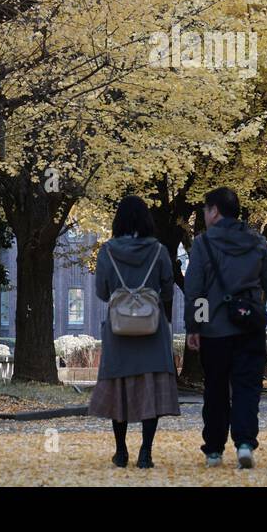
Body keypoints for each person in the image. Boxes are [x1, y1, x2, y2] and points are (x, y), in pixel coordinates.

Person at [184, 187, 267, 469]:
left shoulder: (203, 245)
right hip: (250, 328)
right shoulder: (256, 242)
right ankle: (244, 443)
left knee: (215, 390)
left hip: (214, 331)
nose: (204, 215)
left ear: (214, 210)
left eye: (205, 210)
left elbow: (195, 292)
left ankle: (214, 451)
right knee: (247, 388)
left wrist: (194, 326)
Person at [87, 195, 181, 469]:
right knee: (150, 389)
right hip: (152, 329)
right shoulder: (159, 251)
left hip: (119, 330)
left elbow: (102, 292)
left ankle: (121, 451)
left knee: (120, 389)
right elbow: (167, 288)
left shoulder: (107, 252)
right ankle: (146, 452)